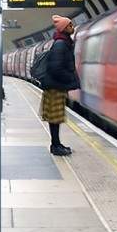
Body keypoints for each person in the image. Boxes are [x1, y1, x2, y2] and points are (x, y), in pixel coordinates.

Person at [41, 14, 81, 156]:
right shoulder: (61, 44)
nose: (72, 27)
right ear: (64, 28)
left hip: (55, 85)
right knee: (55, 118)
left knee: (55, 118)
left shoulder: (63, 42)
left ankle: (56, 144)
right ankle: (55, 146)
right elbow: (56, 68)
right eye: (70, 25)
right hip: (55, 87)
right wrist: (70, 79)